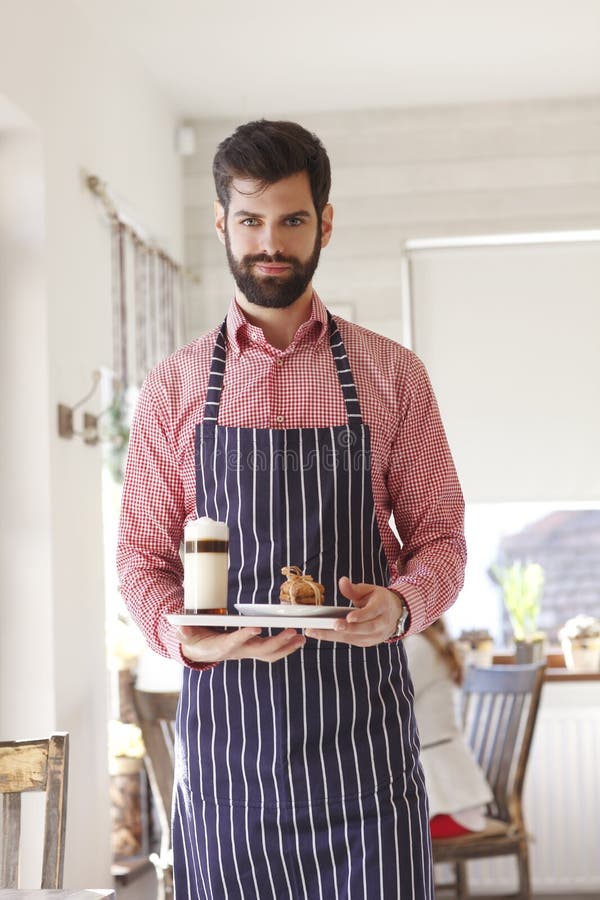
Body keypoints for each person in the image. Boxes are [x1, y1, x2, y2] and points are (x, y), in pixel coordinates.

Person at [117, 119, 467, 900]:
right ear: (221, 224)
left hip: (365, 774)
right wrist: (191, 642)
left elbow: (441, 536)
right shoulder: (173, 388)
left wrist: (403, 607)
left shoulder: (392, 374)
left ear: (326, 223)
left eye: (291, 219)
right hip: (228, 776)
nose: (269, 242)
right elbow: (140, 560)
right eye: (250, 220)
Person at [404, 620, 493, 838]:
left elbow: (385, 700)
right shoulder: (428, 642)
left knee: (382, 834)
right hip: (448, 796)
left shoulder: (418, 646)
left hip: (451, 805)